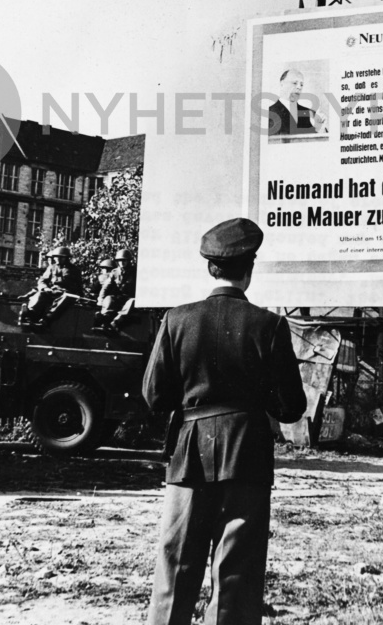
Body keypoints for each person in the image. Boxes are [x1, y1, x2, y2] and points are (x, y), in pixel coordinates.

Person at [143, 217, 306, 625]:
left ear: (210, 268)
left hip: (188, 455)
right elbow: (291, 407)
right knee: (238, 572)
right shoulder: (270, 326)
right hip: (246, 456)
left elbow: (153, 395)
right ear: (249, 268)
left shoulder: (176, 319)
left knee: (176, 565)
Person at [268, 68, 327, 139]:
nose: (299, 87)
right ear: (282, 84)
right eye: (294, 83)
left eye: (301, 85)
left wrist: (321, 129)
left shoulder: (309, 113)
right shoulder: (269, 112)